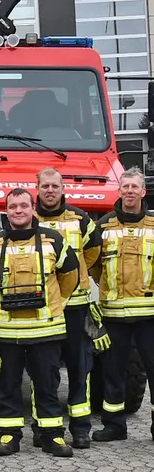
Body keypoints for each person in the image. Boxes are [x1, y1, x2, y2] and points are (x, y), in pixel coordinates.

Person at [0, 188, 77, 457]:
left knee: (47, 385)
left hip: (46, 330)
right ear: (6, 211)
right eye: (13, 207)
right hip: (7, 331)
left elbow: (70, 275)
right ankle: (9, 436)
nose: (18, 211)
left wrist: (56, 302)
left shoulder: (53, 240)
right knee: (8, 385)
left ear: (33, 208)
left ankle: (52, 436)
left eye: (23, 206)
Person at [33, 167, 101, 448]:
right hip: (44, 309)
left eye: (55, 186)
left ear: (63, 189)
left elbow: (94, 253)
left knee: (79, 368)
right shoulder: (29, 219)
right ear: (37, 188)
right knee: (43, 370)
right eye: (45, 186)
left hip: (75, 308)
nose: (50, 190)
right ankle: (43, 427)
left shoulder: (81, 220)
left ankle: (81, 428)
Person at [91, 167, 154, 443]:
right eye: (125, 186)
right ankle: (114, 426)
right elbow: (93, 265)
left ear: (143, 191)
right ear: (119, 191)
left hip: (150, 315)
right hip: (114, 315)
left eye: (134, 187)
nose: (129, 191)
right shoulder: (103, 226)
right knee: (112, 373)